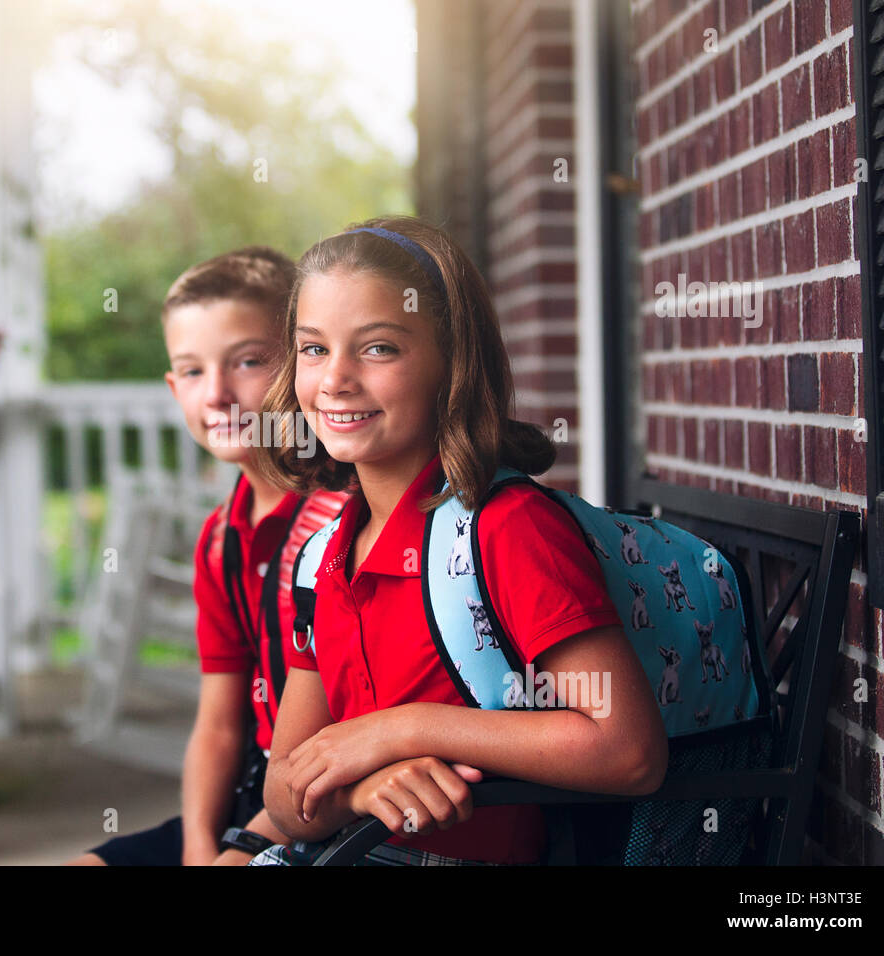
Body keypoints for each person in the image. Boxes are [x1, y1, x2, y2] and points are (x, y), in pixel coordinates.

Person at [250, 216, 669, 865]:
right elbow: (286, 790)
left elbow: (630, 752)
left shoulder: (510, 530)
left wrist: (401, 728)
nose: (335, 379)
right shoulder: (324, 555)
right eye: (313, 349)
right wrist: (362, 787)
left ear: (452, 363)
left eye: (379, 348)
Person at [67, 246, 346, 866]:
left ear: (304, 361)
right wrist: (198, 847)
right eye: (192, 372)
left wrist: (243, 849)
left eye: (247, 361)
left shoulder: (343, 519)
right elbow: (219, 724)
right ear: (173, 386)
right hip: (248, 797)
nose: (217, 394)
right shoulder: (221, 539)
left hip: (325, 808)